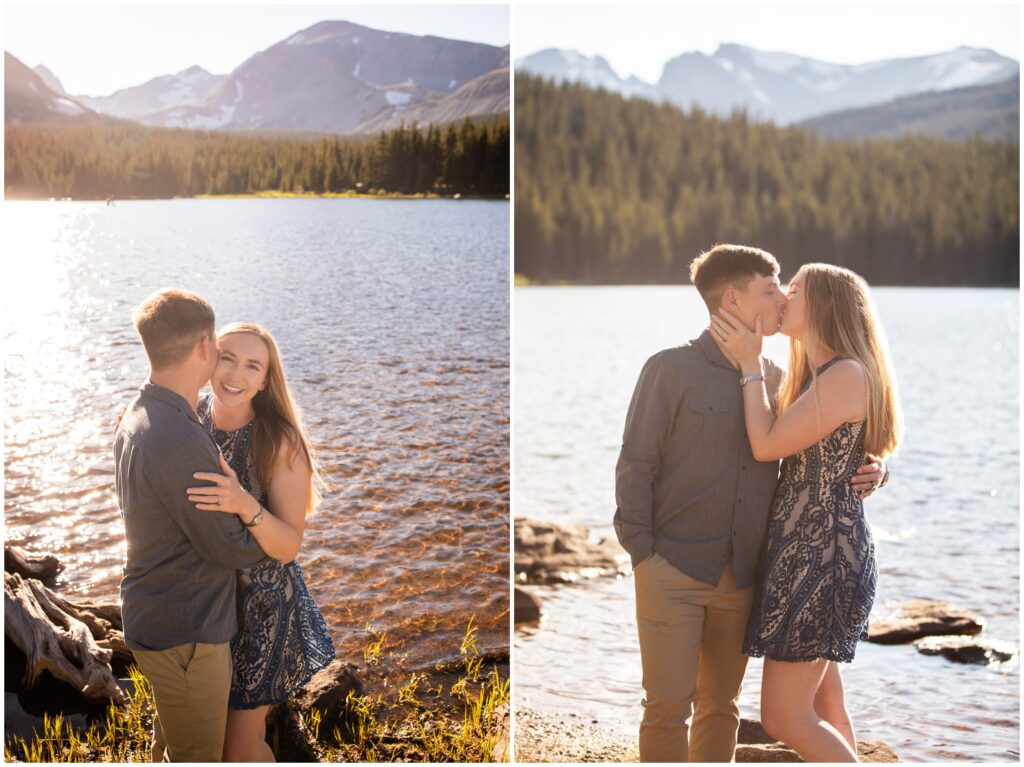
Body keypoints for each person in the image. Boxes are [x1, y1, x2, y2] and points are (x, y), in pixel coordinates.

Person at [613, 244, 888, 763]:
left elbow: (833, 440)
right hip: (675, 567)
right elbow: (636, 465)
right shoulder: (670, 369)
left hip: (757, 572)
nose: (782, 298)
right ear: (733, 300)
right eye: (772, 289)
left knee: (723, 705)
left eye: (789, 289)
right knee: (669, 706)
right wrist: (642, 552)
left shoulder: (776, 381)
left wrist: (875, 470)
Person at [711, 262, 902, 762]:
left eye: (793, 290)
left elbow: (766, 445)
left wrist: (749, 364)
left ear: (824, 305)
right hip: (808, 554)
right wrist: (878, 470)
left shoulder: (845, 374)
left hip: (823, 560)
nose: (782, 298)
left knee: (783, 718)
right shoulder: (819, 374)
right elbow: (846, 453)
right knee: (826, 706)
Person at [115, 289, 269, 762]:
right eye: (219, 348)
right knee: (197, 755)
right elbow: (230, 547)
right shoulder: (182, 439)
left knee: (172, 745)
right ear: (204, 347)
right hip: (187, 632)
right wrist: (265, 522)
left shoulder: (139, 413)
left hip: (156, 614)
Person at [184, 322, 335, 762]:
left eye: (253, 366)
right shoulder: (188, 418)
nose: (236, 374)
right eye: (228, 358)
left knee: (238, 749)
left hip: (261, 613)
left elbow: (288, 546)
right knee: (204, 741)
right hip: (204, 606)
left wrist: (242, 502)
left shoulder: (279, 440)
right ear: (209, 360)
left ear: (266, 381)